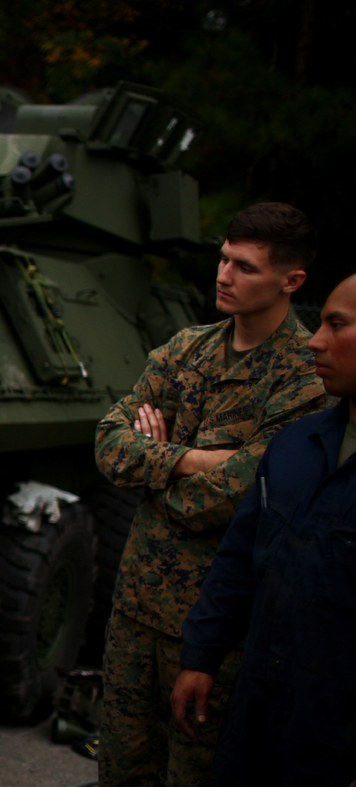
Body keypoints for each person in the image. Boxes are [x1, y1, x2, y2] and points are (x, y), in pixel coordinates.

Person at [92, 203, 328, 786]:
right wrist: (192, 461)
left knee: (198, 772)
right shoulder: (186, 349)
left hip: (214, 628)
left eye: (244, 267)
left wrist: (155, 471)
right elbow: (107, 443)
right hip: (135, 609)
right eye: (223, 259)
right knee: (120, 770)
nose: (224, 275)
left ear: (290, 281)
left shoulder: (307, 377)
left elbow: (238, 498)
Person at [171, 271, 356, 785]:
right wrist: (201, 657)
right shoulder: (297, 445)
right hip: (259, 711)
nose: (315, 340)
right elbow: (240, 557)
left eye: (337, 325)